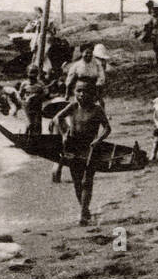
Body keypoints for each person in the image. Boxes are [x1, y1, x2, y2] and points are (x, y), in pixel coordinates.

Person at [53, 79, 111, 226]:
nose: (82, 94)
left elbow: (107, 128)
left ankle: (83, 213)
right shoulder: (73, 106)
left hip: (91, 148)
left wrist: (99, 140)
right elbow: (57, 118)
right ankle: (85, 209)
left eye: (85, 91)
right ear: (74, 92)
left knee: (87, 180)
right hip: (73, 146)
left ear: (92, 94)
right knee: (77, 182)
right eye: (79, 91)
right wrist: (65, 133)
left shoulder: (97, 109)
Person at [138, 0, 158, 64]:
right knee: (156, 46)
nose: (152, 12)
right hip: (156, 33)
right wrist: (141, 31)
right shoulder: (154, 17)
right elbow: (148, 25)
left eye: (153, 10)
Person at [21, 64, 49, 133]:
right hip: (27, 106)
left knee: (37, 124)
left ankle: (37, 138)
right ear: (27, 73)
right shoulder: (25, 84)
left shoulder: (40, 83)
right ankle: (26, 137)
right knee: (29, 124)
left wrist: (38, 96)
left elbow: (46, 92)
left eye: (35, 72)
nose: (33, 75)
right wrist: (25, 100)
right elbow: (20, 95)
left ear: (37, 74)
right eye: (31, 72)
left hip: (37, 107)